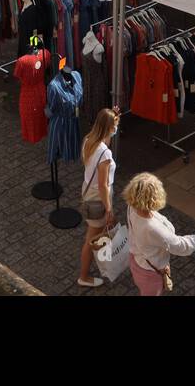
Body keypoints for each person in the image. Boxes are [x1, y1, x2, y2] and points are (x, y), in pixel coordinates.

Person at [124, 172, 195, 296]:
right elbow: (180, 246)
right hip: (150, 273)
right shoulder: (152, 228)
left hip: (137, 260)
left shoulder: (132, 207)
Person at [77, 108, 119, 288]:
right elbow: (103, 185)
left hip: (88, 194)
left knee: (98, 235)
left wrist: (114, 116)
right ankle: (84, 277)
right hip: (98, 199)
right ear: (109, 128)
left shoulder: (89, 140)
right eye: (115, 126)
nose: (116, 129)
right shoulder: (106, 154)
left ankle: (103, 265)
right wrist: (109, 208)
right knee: (92, 239)